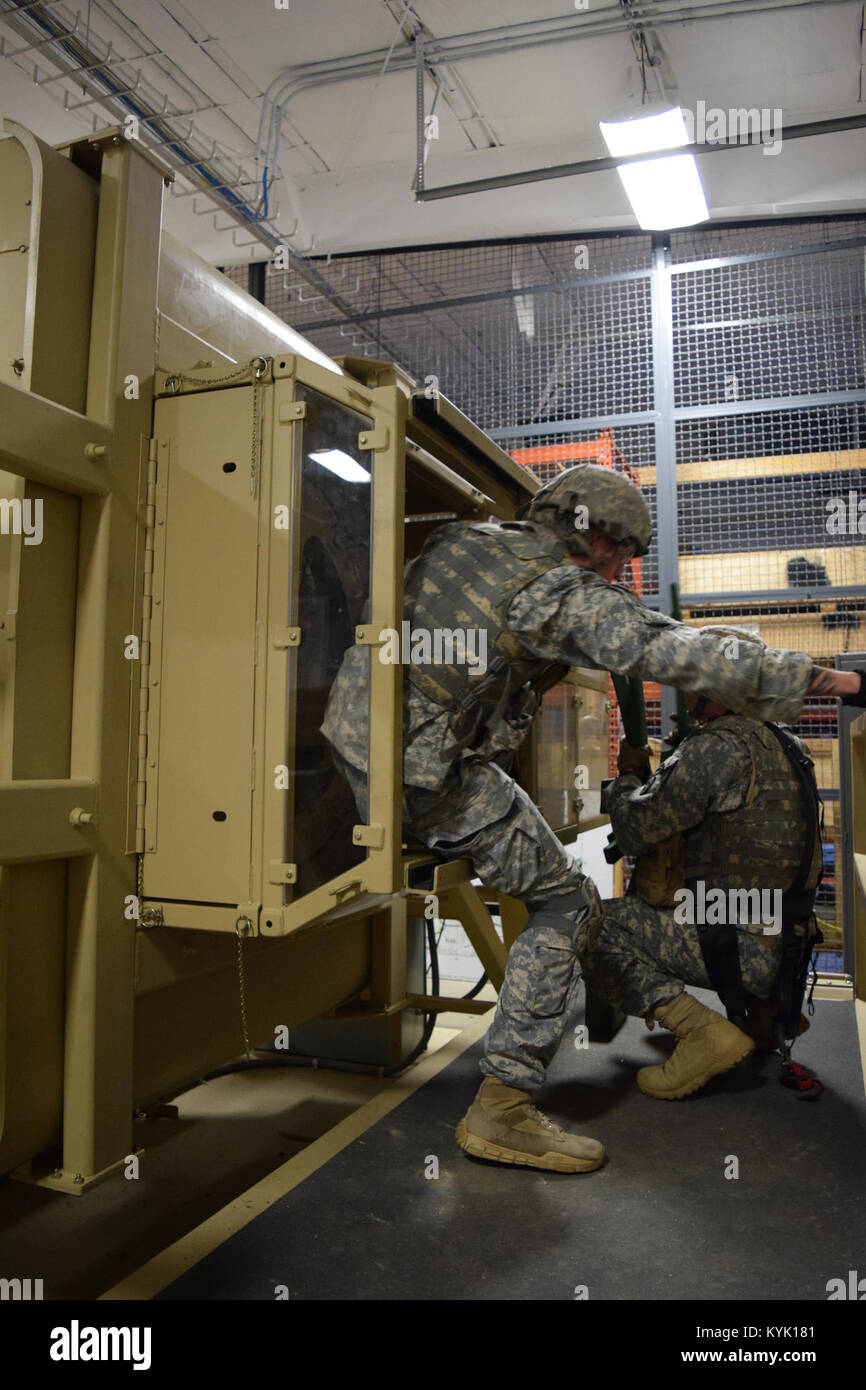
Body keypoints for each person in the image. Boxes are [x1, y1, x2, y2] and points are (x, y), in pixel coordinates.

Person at [320, 464, 865, 1173]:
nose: (621, 573)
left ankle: (693, 1026)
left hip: (367, 742)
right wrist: (844, 682)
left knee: (570, 899)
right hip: (425, 772)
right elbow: (671, 649)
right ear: (600, 541)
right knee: (565, 903)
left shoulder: (464, 540)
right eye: (624, 558)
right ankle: (503, 1107)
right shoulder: (552, 589)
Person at [579, 675, 823, 1103]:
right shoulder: (789, 745)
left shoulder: (718, 746)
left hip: (739, 946)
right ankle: (765, 1017)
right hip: (790, 943)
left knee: (590, 921)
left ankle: (701, 1033)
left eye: (694, 682)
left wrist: (630, 774)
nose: (687, 692)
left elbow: (637, 829)